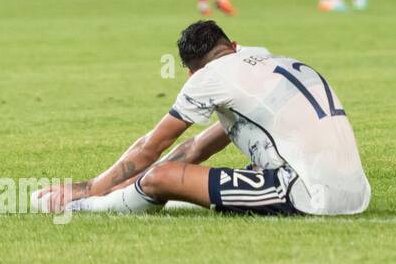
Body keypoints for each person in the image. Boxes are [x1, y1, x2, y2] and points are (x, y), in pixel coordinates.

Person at [32, 21, 371, 216]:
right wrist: (125, 182)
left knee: (159, 177)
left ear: (190, 73)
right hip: (352, 187)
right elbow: (197, 146)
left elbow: (151, 148)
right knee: (172, 174)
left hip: (304, 193)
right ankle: (126, 193)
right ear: (233, 45)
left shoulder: (208, 79)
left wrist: (90, 188)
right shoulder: (263, 61)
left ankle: (88, 207)